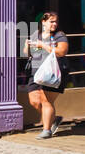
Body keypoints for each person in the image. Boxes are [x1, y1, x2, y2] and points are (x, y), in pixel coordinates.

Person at [26, 11, 69, 139]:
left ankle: (46, 130)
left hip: (52, 72)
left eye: (56, 21)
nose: (54, 24)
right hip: (36, 72)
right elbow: (27, 52)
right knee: (34, 101)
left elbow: (62, 51)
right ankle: (53, 119)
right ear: (43, 22)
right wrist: (27, 45)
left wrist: (43, 46)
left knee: (46, 100)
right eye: (51, 21)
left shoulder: (59, 36)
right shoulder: (36, 34)